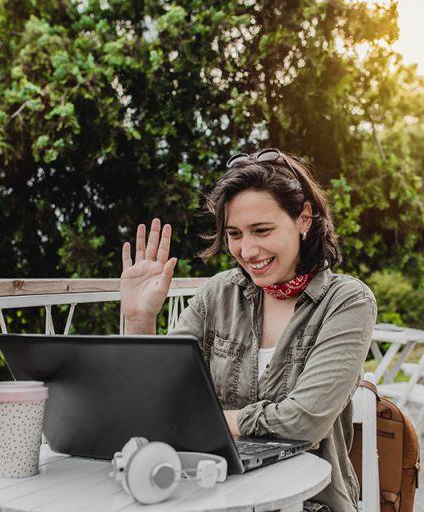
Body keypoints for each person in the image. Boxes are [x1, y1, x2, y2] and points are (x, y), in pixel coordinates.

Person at [119, 148, 377, 512]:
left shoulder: (347, 302)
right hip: (211, 494)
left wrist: (202, 418)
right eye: (235, 234)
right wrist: (140, 320)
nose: (248, 249)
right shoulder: (218, 292)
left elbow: (304, 422)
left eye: (262, 230)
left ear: (304, 219)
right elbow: (155, 398)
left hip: (307, 503)